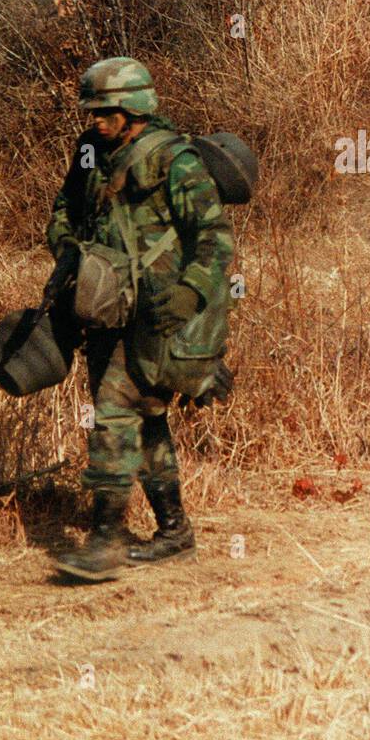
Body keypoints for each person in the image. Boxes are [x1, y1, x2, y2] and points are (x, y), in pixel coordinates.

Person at [49, 57, 233, 581]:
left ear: (134, 107)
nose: (97, 121)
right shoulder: (91, 152)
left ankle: (104, 540)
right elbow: (64, 206)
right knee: (147, 416)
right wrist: (66, 250)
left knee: (112, 413)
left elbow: (215, 240)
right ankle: (175, 533)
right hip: (106, 309)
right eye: (93, 111)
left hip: (158, 313)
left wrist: (188, 295)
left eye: (106, 111)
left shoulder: (175, 160)